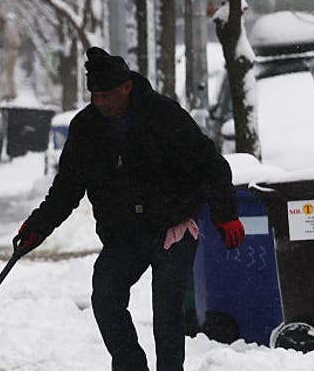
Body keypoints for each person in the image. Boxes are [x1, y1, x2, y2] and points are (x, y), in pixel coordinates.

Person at [14, 47, 243, 371]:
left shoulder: (163, 115)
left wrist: (226, 215)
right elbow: (67, 188)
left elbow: (211, 165)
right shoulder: (87, 128)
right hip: (124, 233)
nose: (100, 103)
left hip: (172, 227)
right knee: (105, 296)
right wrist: (37, 227)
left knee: (167, 310)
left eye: (107, 95)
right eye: (95, 96)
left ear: (126, 87)